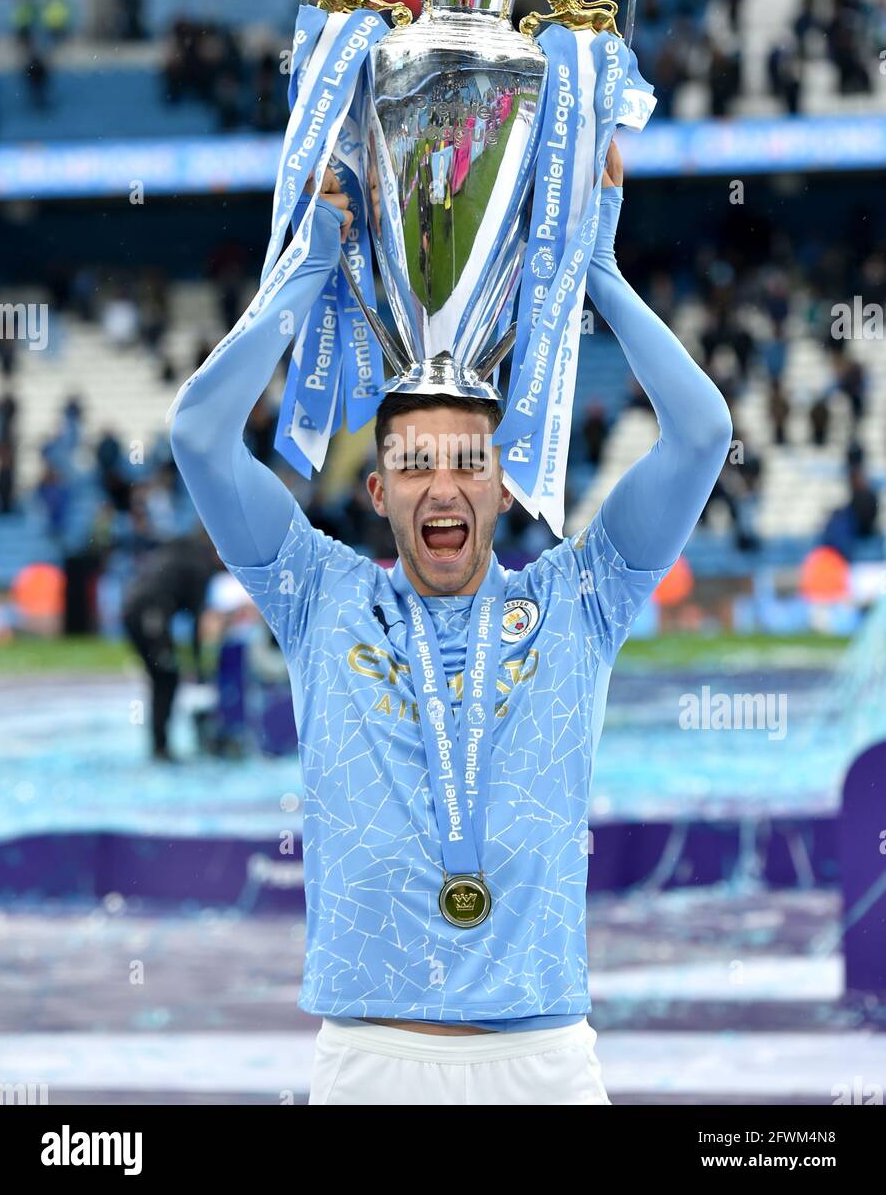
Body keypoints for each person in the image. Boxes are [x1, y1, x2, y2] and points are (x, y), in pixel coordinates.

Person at [169, 143, 732, 1105]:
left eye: (467, 460)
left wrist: (597, 267)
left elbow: (701, 433)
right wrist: (309, 262)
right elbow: (196, 436)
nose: (443, 483)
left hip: (544, 1062)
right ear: (380, 489)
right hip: (370, 1058)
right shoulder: (318, 596)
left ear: (503, 485)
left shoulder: (580, 600)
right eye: (416, 462)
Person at [122, 533, 221, 762]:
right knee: (166, 678)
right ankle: (161, 748)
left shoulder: (182, 550)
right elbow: (196, 620)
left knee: (163, 678)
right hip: (150, 611)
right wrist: (199, 669)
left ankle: (160, 745)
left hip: (134, 608)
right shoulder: (199, 564)